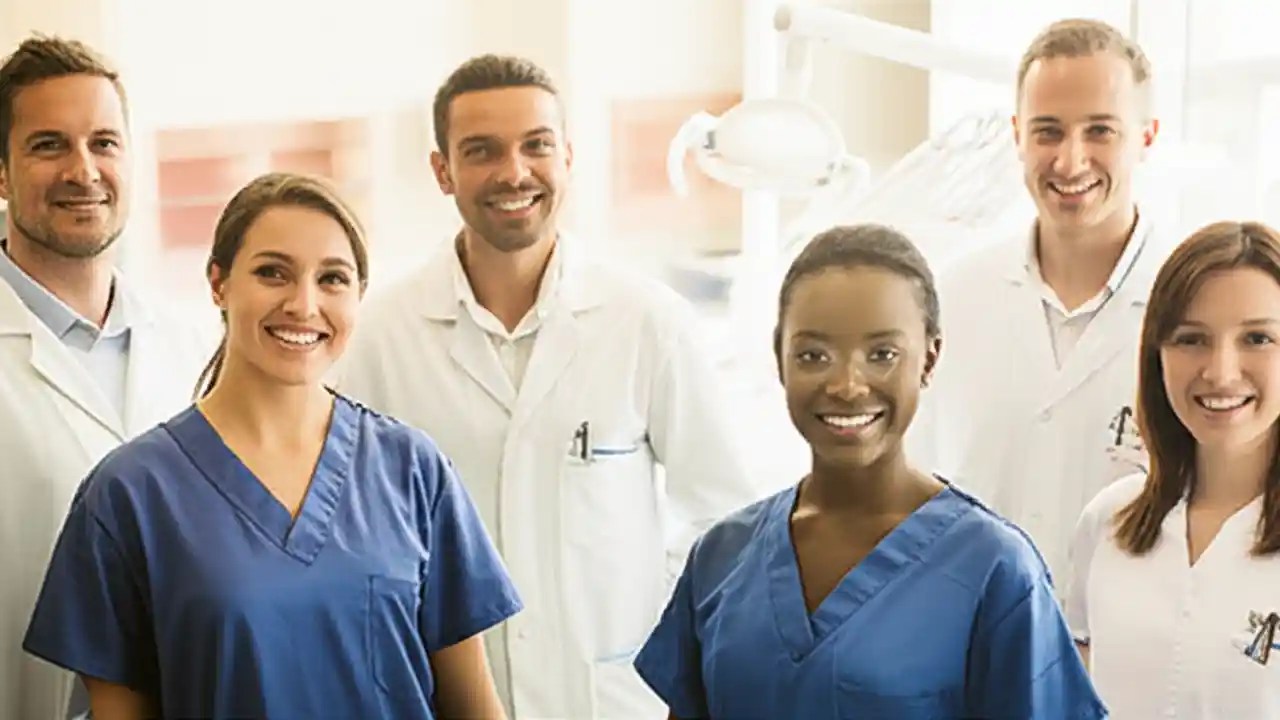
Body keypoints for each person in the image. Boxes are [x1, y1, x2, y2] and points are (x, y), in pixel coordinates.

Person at [337, 54, 761, 718]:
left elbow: (728, 520)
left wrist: (658, 633)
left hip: (615, 700)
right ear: (442, 171)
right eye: (482, 151)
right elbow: (351, 537)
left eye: (536, 146)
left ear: (567, 156)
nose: (514, 172)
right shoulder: (380, 336)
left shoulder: (646, 321)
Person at [22, 173, 522, 719]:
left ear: (358, 297)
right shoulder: (130, 495)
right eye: (272, 273)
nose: (303, 305)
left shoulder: (412, 471)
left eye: (332, 279)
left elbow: (477, 708)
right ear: (219, 283)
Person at [633, 224, 1105, 719]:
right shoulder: (723, 558)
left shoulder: (994, 569)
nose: (847, 385)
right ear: (779, 359)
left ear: (929, 357)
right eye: (814, 355)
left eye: (882, 355)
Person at [908, 18, 1169, 584]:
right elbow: (910, 492)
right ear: (1018, 135)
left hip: (1126, 652)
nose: (1071, 162)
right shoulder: (951, 299)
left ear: (1146, 136)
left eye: (1100, 131)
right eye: (1048, 131)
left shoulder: (1193, 309)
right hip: (974, 642)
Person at [0, 35, 210, 720]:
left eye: (104, 142)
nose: (83, 170)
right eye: (48, 145)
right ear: (1, 173)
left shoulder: (198, 345)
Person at [1066, 220, 1280, 719]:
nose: (1221, 372)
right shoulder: (1109, 521)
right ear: (1156, 355)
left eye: (1257, 338)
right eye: (1191, 339)